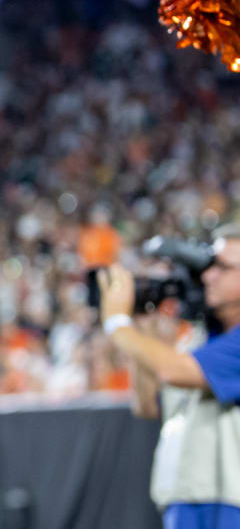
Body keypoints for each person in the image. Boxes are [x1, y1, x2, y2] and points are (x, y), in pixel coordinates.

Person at [99, 224, 240, 529]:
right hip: (185, 498)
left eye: (224, 268)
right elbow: (147, 405)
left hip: (230, 503)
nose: (208, 276)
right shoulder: (198, 340)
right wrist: (142, 327)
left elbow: (175, 371)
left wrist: (117, 323)